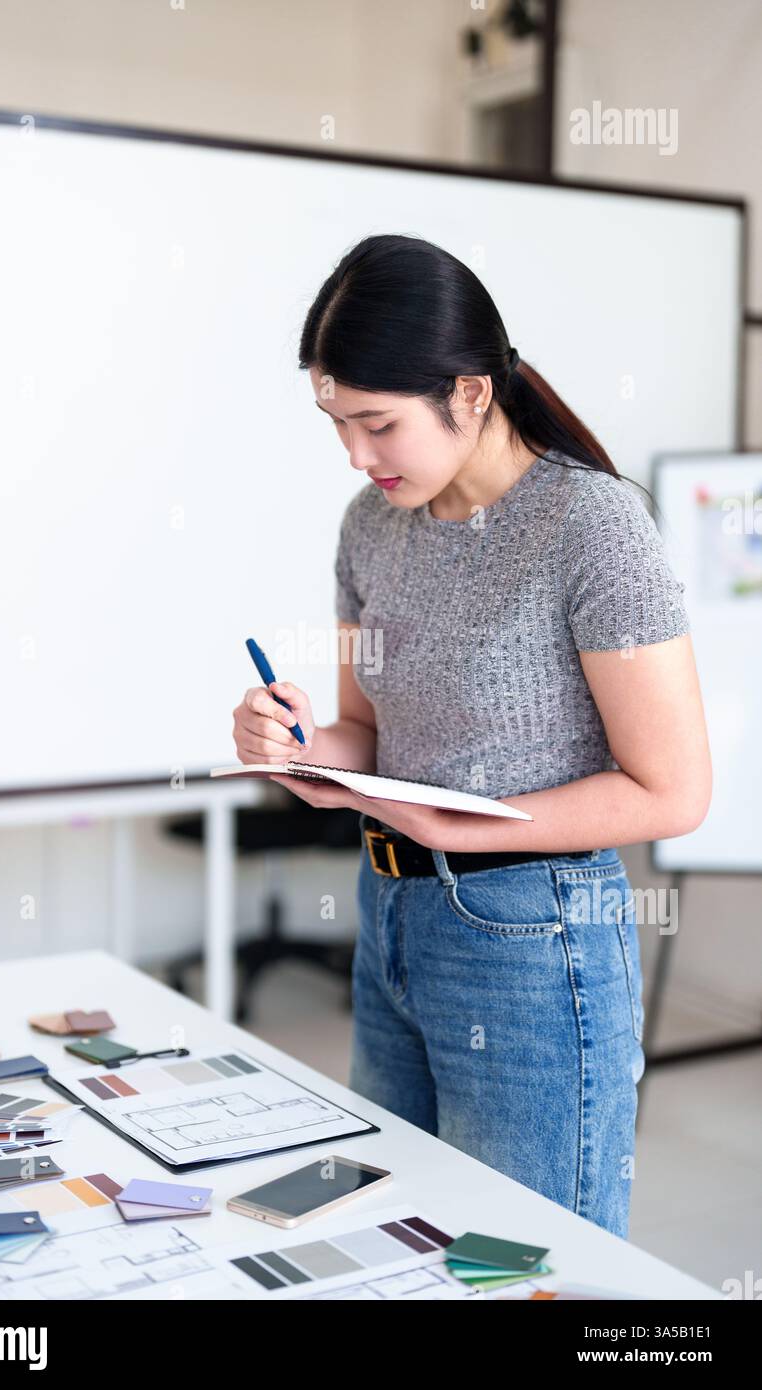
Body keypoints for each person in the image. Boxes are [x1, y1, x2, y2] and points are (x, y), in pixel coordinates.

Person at [231, 234, 712, 1239]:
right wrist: (300, 744)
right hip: (393, 916)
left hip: (532, 935)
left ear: (470, 392)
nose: (356, 456)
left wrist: (449, 825)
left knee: (522, 1260)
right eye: (337, 423)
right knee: (392, 1240)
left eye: (376, 424)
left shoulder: (591, 525)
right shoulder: (370, 524)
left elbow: (669, 791)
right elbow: (368, 734)